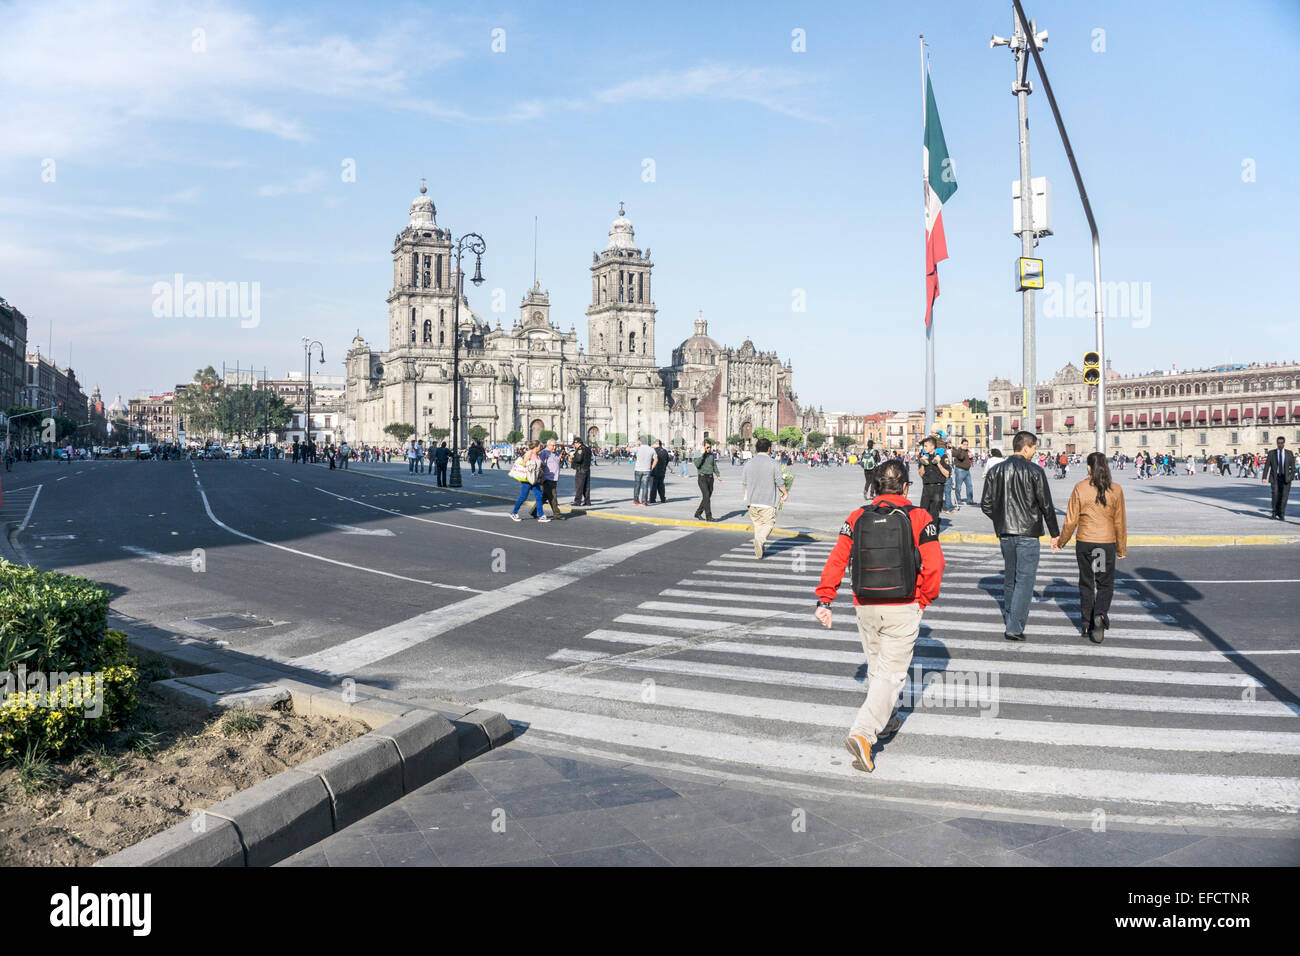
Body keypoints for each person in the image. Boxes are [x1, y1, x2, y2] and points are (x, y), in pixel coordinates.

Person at [814, 459, 944, 774]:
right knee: (891, 675)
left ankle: (888, 718)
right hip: (903, 605)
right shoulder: (919, 516)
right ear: (906, 487)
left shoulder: (856, 516)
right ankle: (863, 733)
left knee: (877, 670)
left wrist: (825, 599)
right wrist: (923, 599)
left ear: (874, 485)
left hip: (865, 605)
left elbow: (838, 558)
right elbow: (935, 565)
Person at [980, 430, 1060, 642]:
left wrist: (1001, 519)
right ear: (1026, 447)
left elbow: (986, 504)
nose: (1035, 452)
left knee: (1010, 577)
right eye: (1034, 448)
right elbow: (1046, 505)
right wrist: (1055, 533)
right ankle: (1014, 626)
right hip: (1028, 532)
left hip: (1005, 532)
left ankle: (1010, 616)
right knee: (1025, 580)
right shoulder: (1035, 470)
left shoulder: (996, 470)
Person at [1052, 452, 1128, 644]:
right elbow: (1120, 522)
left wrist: (1061, 542)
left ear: (1088, 467)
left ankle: (1086, 623)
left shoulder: (1080, 488)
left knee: (1086, 583)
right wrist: (1121, 548)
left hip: (1085, 542)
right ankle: (1100, 614)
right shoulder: (1116, 489)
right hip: (1105, 544)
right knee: (1105, 583)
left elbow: (1071, 520)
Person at [742, 437, 787, 559]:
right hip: (767, 501)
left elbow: (745, 483)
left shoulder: (748, 463)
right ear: (769, 449)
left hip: (752, 502)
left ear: (756, 449)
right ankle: (760, 541)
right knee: (769, 524)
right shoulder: (774, 463)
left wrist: (747, 498)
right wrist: (785, 493)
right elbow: (779, 481)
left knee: (758, 525)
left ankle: (759, 552)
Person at [509, 441, 549, 522]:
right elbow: (524, 464)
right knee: (523, 497)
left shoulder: (537, 455)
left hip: (534, 479)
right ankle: (514, 513)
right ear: (536, 446)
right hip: (527, 479)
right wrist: (534, 464)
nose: (541, 447)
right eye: (540, 446)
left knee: (539, 496)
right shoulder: (529, 453)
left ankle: (541, 515)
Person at [1261, 436, 1295, 520]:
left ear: (1284, 443)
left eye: (1281, 443)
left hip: (1286, 478)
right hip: (1275, 477)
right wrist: (1264, 477)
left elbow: (1293, 467)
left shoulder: (1289, 453)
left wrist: (1291, 477)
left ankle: (1281, 513)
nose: (1279, 445)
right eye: (1278, 443)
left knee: (1284, 496)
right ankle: (1274, 512)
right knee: (1275, 494)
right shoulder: (1271, 453)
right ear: (1276, 443)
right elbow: (1267, 465)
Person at [916, 436, 949, 524]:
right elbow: (921, 474)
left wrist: (938, 464)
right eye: (924, 446)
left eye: (926, 446)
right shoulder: (924, 457)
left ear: (932, 447)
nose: (924, 448)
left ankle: (934, 532)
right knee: (923, 511)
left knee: (934, 513)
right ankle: (924, 533)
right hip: (926, 488)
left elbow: (947, 474)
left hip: (937, 488)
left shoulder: (942, 457)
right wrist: (922, 464)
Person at [531, 438, 564, 519]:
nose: (554, 447)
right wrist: (541, 476)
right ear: (548, 445)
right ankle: (557, 514)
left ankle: (533, 511)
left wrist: (562, 459)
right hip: (547, 478)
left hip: (554, 478)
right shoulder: (544, 453)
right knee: (553, 496)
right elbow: (539, 464)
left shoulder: (555, 453)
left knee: (544, 497)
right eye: (553, 445)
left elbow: (558, 463)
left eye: (555, 445)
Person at [694, 439, 721, 521]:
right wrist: (702, 454)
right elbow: (697, 464)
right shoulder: (699, 454)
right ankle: (708, 516)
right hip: (702, 478)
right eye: (707, 447)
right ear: (703, 447)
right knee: (706, 496)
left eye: (710, 447)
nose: (709, 449)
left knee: (707, 497)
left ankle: (698, 513)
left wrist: (718, 475)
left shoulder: (711, 455)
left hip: (710, 478)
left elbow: (714, 466)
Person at [631, 440, 655, 506]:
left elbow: (628, 449)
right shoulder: (651, 449)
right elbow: (656, 459)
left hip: (638, 469)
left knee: (637, 485)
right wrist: (652, 467)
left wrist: (633, 445)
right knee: (645, 486)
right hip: (647, 470)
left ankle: (636, 500)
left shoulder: (638, 448)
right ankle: (644, 502)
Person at [570, 438, 592, 506]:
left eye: (574, 444)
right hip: (587, 469)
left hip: (581, 470)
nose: (574, 445)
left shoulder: (580, 449)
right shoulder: (587, 448)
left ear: (578, 443)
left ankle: (577, 501)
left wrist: (572, 458)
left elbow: (579, 459)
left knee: (579, 486)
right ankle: (587, 501)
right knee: (586, 486)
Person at [952, 439, 974, 505]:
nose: (966, 446)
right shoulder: (958, 450)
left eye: (967, 444)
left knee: (969, 485)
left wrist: (970, 457)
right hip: (960, 470)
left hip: (967, 471)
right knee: (958, 486)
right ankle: (958, 500)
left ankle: (970, 500)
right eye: (964, 444)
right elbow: (961, 457)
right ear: (961, 445)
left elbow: (968, 460)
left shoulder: (967, 451)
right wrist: (961, 449)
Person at [649, 440, 670, 504]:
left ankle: (652, 499)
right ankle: (663, 498)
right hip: (662, 471)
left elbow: (651, 460)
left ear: (656, 444)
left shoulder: (654, 450)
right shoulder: (665, 451)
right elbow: (667, 461)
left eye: (653, 444)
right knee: (661, 485)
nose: (653, 445)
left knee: (653, 485)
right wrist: (663, 467)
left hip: (654, 471)